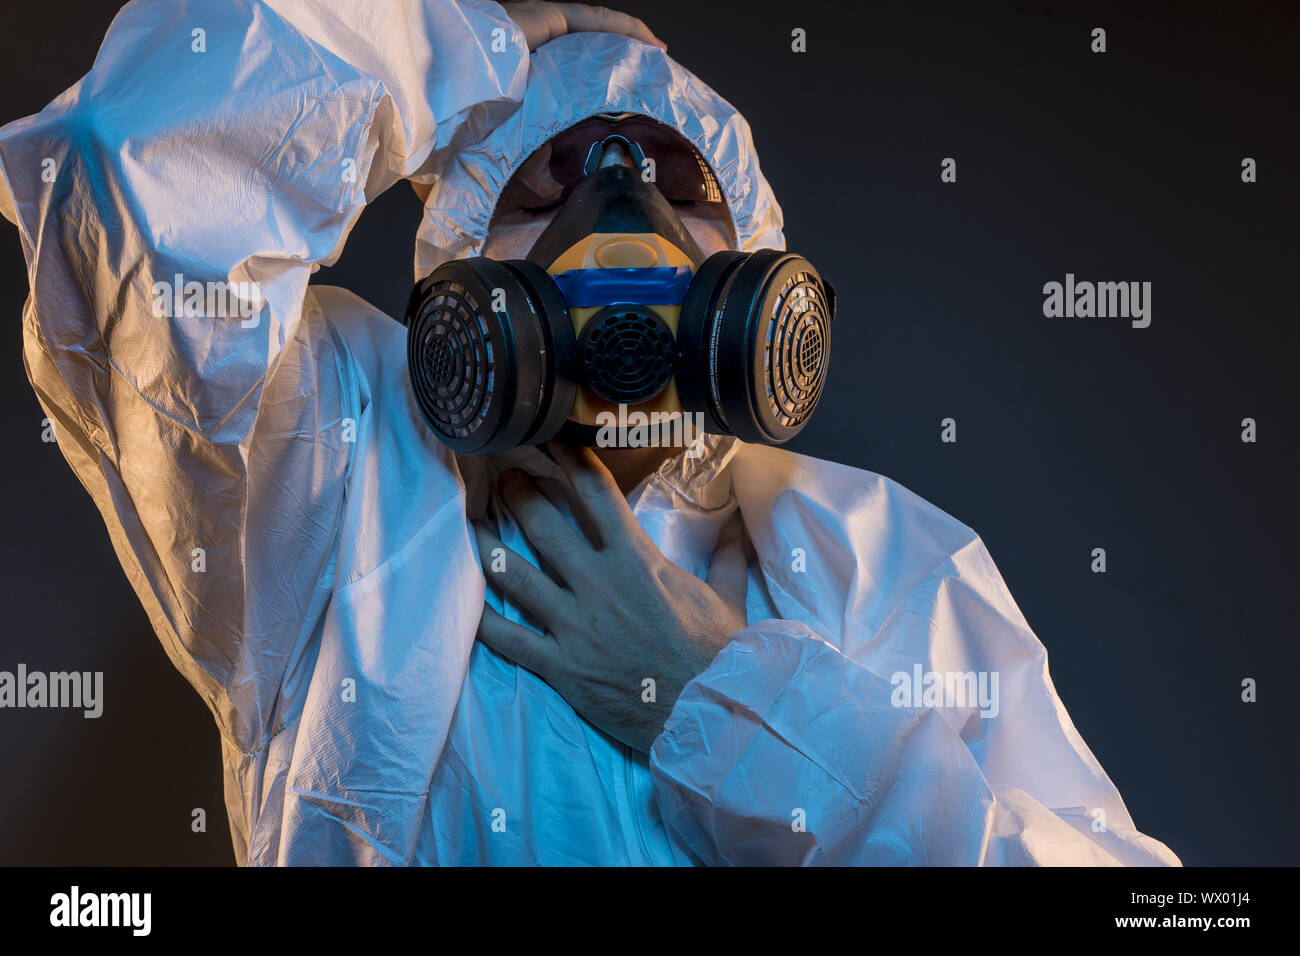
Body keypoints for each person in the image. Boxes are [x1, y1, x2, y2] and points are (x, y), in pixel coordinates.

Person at [0, 0, 1179, 866]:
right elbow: (125, 164)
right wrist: (465, 40)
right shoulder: (331, 466)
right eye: (542, 184)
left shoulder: (885, 555)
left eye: (677, 177)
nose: (621, 224)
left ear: (751, 274)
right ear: (462, 265)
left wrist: (719, 704)